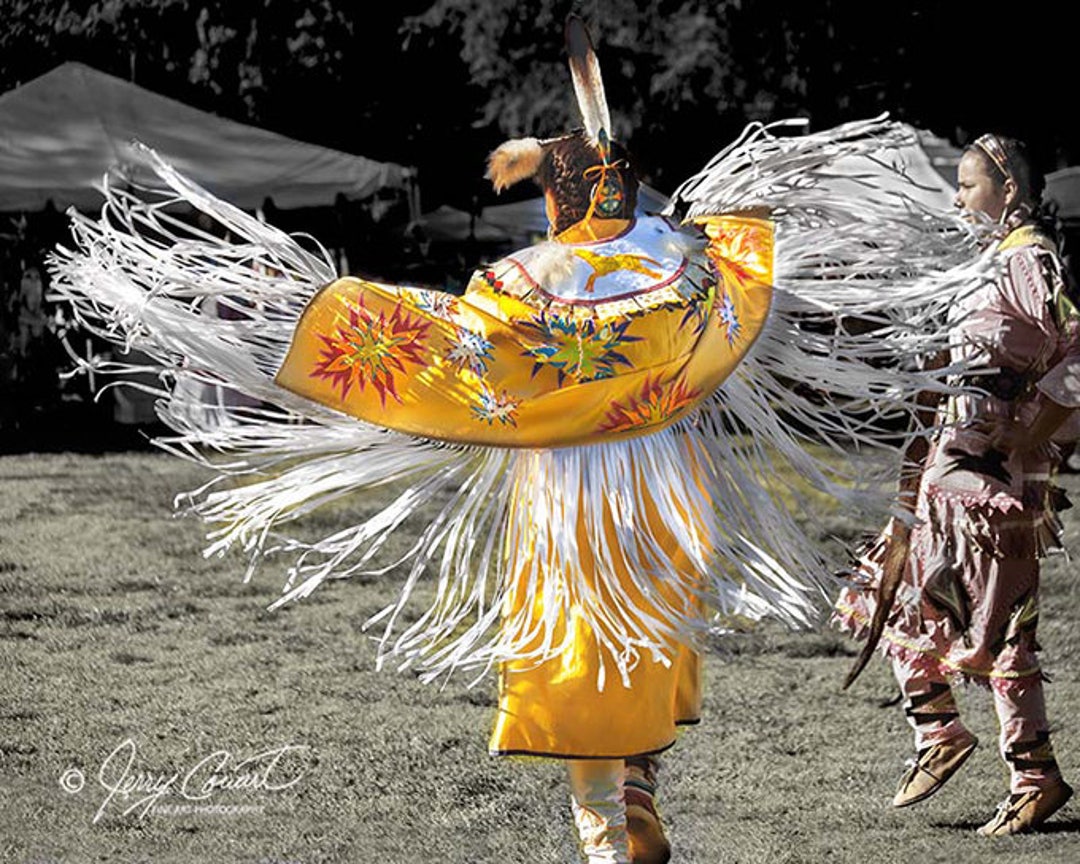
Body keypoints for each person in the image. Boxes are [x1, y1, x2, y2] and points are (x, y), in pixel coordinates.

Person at [50, 18, 988, 864]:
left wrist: (311, 311)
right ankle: (639, 791)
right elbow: (741, 279)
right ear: (622, 190)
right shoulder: (689, 262)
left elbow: (459, 353)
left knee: (576, 650)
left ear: (556, 203)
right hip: (668, 480)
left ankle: (606, 831)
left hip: (568, 493)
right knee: (649, 643)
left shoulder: (519, 280)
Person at [833, 133, 1080, 836]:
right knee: (893, 592)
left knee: (1001, 625)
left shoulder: (1032, 260)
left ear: (1009, 191)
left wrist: (1032, 435)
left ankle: (1036, 778)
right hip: (949, 467)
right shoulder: (986, 263)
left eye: (968, 186)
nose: (957, 198)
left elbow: (1076, 348)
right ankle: (938, 734)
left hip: (993, 481)